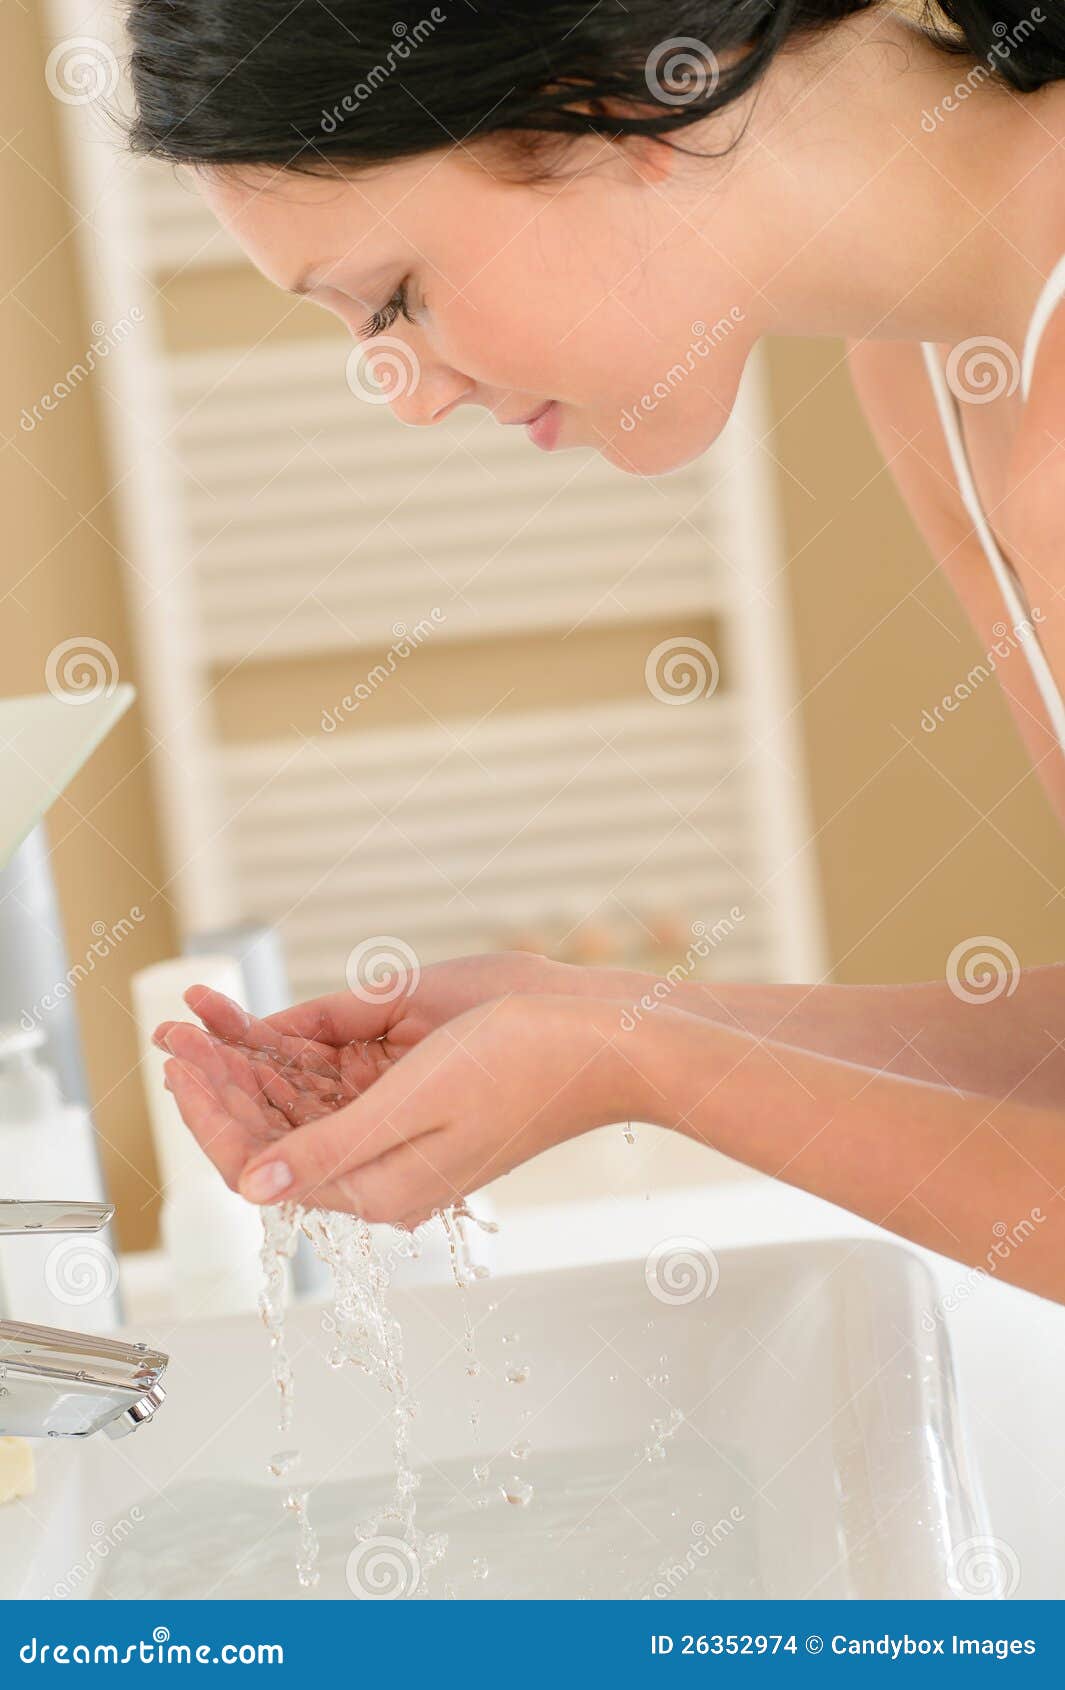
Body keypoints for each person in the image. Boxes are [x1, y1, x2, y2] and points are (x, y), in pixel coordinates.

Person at [129, 0, 1065, 1301]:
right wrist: (603, 1023)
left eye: (394, 298)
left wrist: (638, 1070)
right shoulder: (926, 380)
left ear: (616, 97)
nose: (408, 394)